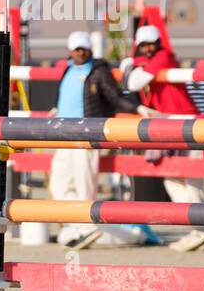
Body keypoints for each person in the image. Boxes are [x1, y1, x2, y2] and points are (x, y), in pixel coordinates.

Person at [43, 32, 159, 249]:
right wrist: (57, 109)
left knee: (85, 184)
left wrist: (136, 108)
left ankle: (86, 228)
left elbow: (113, 97)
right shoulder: (68, 69)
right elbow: (67, 96)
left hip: (86, 135)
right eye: (77, 49)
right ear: (70, 51)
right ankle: (78, 224)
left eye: (83, 48)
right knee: (58, 185)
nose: (80, 52)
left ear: (90, 50)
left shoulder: (98, 70)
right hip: (64, 136)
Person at [121, 26, 204, 251]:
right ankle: (199, 228)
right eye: (144, 45)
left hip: (188, 124)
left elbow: (132, 83)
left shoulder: (164, 56)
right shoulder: (150, 60)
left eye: (151, 43)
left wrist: (129, 66)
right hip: (172, 124)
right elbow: (130, 83)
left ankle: (202, 229)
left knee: (190, 179)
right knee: (172, 178)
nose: (148, 48)